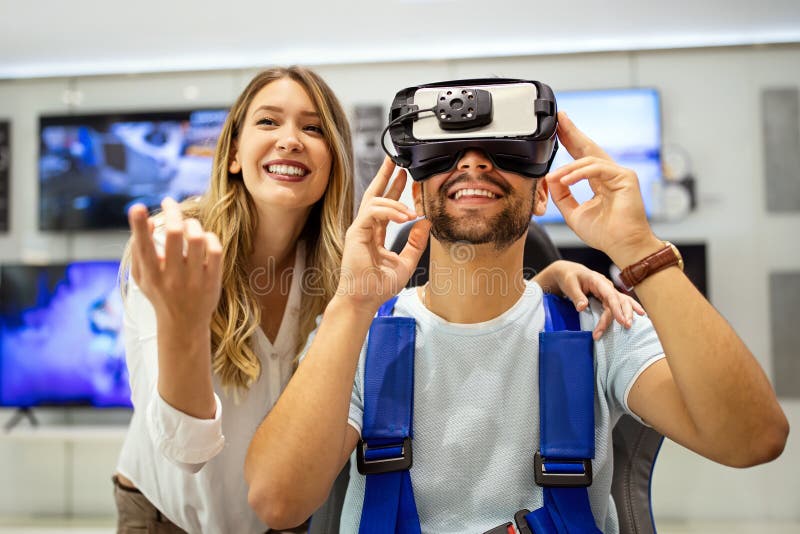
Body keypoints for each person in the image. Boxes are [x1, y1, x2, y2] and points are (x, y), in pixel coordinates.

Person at [114, 66, 642, 534]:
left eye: (313, 128)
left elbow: (450, 294)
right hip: (171, 513)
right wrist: (183, 325)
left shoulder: (348, 257)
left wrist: (543, 282)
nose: (291, 140)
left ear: (334, 159)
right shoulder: (174, 249)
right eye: (269, 122)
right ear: (231, 152)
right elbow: (183, 449)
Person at [244, 111, 790, 532]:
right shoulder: (357, 335)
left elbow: (752, 439)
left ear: (541, 191)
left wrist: (638, 249)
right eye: (447, 151)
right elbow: (278, 499)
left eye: (504, 150)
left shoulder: (596, 327)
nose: (474, 163)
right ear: (416, 192)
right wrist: (350, 303)